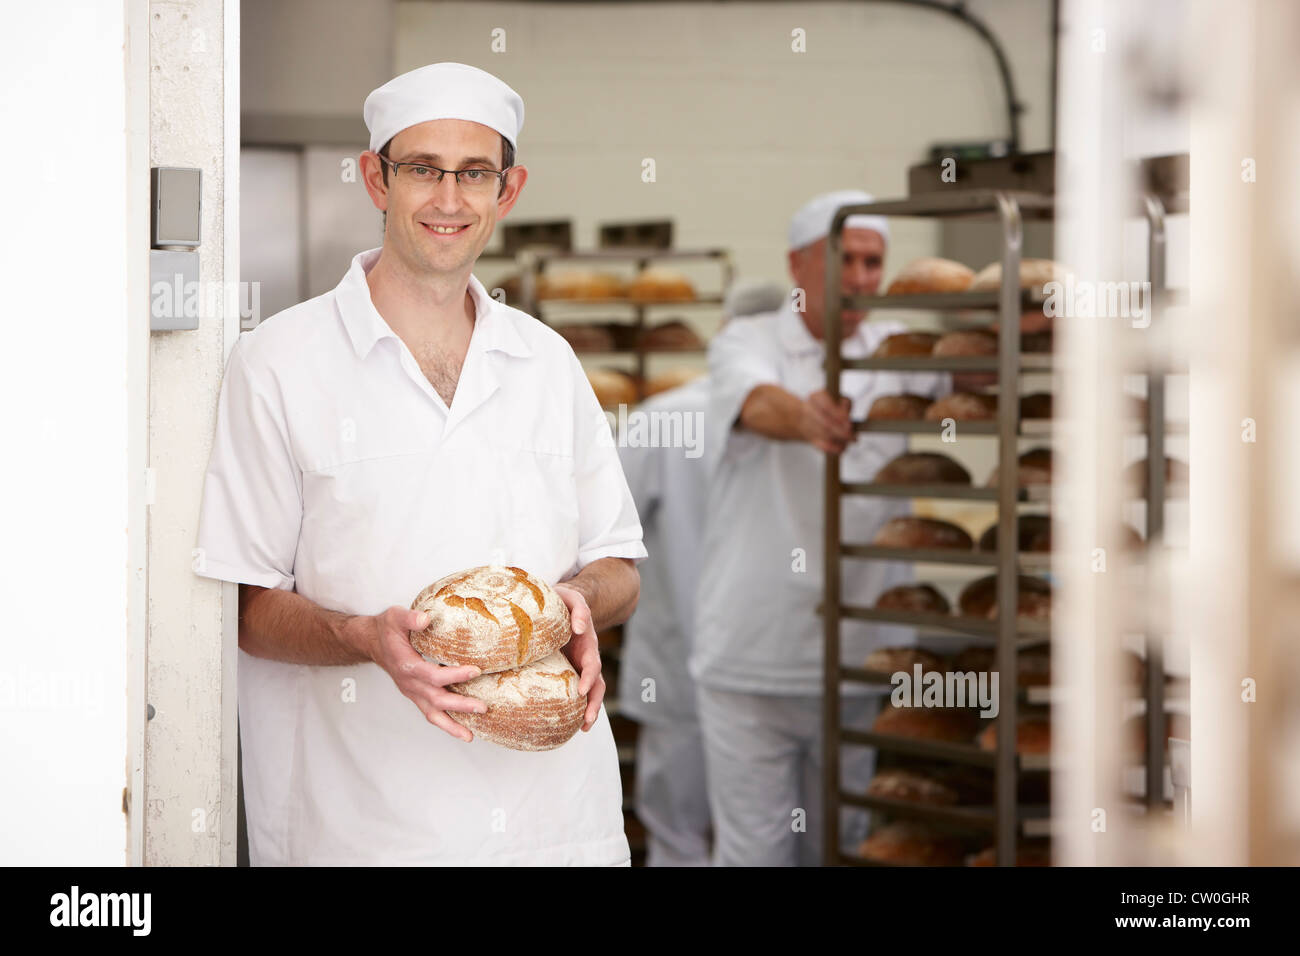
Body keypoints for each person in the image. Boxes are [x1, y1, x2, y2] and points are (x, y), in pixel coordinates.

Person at [194, 62, 646, 865]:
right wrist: (364, 635)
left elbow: (619, 565)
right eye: (422, 170)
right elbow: (244, 607)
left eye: (474, 173)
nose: (449, 199)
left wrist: (573, 603)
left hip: (556, 830)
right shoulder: (278, 362)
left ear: (508, 191)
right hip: (360, 829)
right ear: (376, 177)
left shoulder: (547, 361)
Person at [691, 190, 952, 866]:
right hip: (752, 659)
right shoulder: (747, 342)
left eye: (875, 263)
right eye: (849, 260)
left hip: (856, 659)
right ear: (798, 266)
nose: (864, 279)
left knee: (841, 847)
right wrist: (808, 417)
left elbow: (975, 375)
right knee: (755, 854)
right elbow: (755, 401)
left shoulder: (901, 352)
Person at [615, 280, 787, 866]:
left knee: (677, 832)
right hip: (776, 669)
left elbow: (604, 535)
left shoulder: (663, 417)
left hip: (678, 665)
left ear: (723, 330)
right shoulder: (812, 422)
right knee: (780, 834)